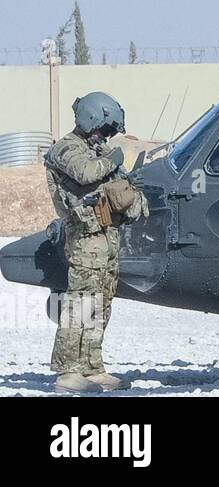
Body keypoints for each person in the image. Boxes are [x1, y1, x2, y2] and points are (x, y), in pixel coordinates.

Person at [43, 91, 147, 393]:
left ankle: (92, 366)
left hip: (107, 240)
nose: (107, 137)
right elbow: (86, 173)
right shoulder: (66, 150)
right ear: (91, 121)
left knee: (100, 305)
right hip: (84, 241)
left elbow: (128, 198)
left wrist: (129, 189)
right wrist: (113, 158)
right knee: (80, 304)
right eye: (105, 129)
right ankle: (67, 371)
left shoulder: (98, 152)